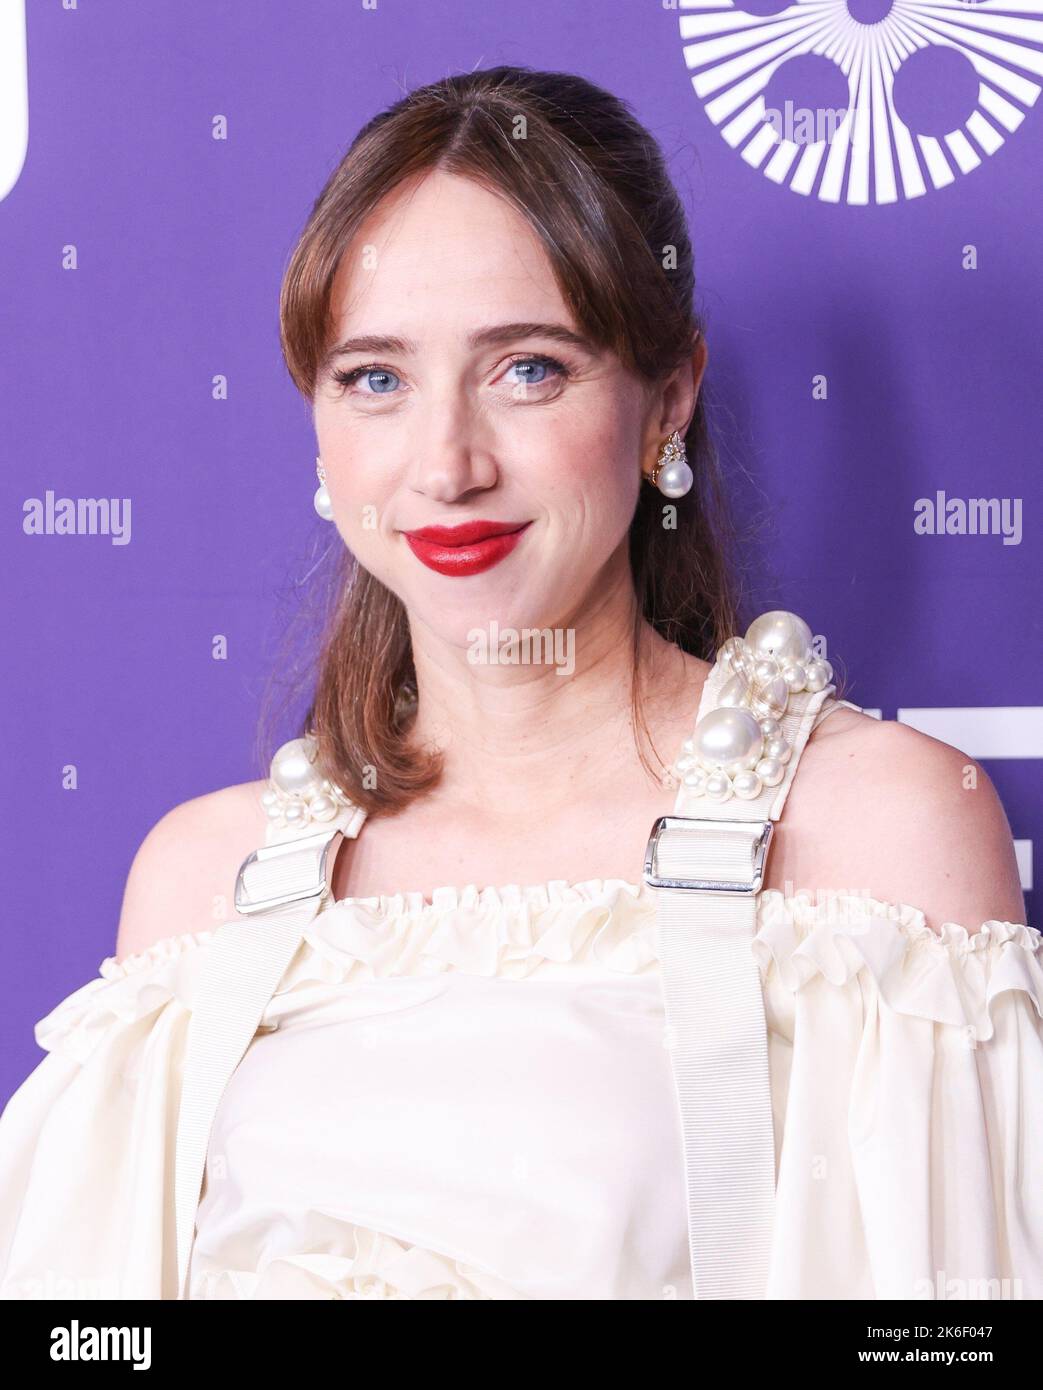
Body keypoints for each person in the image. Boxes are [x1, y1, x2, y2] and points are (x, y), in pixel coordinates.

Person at [0, 65, 1039, 1302]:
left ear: (668, 398)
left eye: (527, 368)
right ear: (319, 426)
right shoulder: (202, 882)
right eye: (375, 378)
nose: (446, 464)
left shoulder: (874, 832)